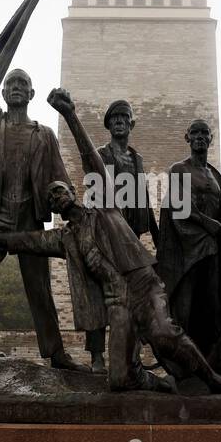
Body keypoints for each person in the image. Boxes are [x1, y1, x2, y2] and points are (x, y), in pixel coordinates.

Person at [0, 88, 221, 397]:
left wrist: (70, 115)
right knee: (119, 379)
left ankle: (215, 380)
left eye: (60, 189)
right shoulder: (65, 238)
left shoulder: (107, 206)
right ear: (53, 208)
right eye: (51, 196)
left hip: (142, 288)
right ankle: (151, 379)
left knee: (164, 333)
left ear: (73, 192)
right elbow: (20, 240)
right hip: (117, 303)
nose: (56, 195)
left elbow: (90, 160)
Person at [0, 0, 87, 371]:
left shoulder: (44, 135)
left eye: (23, 84)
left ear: (32, 93)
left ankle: (56, 353)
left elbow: (60, 180)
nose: (16, 88)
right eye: (11, 84)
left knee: (39, 290)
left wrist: (71, 207)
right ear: (4, 93)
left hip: (30, 220)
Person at [156, 119, 221, 373]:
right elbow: (177, 205)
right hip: (185, 250)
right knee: (183, 306)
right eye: (195, 133)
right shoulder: (178, 169)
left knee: (213, 305)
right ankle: (181, 360)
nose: (200, 137)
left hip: (212, 249)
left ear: (211, 139)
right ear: (187, 137)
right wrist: (206, 222)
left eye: (204, 133)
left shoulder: (215, 176)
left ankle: (216, 359)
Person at [85, 99, 160, 371]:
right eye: (114, 117)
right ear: (108, 125)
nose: (119, 120)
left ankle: (132, 355)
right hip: (106, 233)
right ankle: (96, 355)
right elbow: (92, 193)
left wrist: (157, 236)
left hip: (130, 237)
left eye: (124, 116)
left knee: (133, 295)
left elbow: (143, 199)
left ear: (131, 123)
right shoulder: (101, 154)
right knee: (98, 292)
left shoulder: (137, 159)